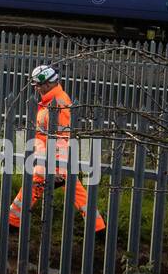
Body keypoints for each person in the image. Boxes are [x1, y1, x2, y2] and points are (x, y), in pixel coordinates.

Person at [8, 65, 106, 233]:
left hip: (54, 160)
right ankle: (98, 228)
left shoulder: (58, 104)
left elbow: (63, 137)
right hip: (48, 157)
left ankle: (12, 222)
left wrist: (58, 169)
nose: (36, 88)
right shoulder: (51, 100)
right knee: (77, 195)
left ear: (47, 84)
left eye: (37, 85)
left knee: (35, 187)